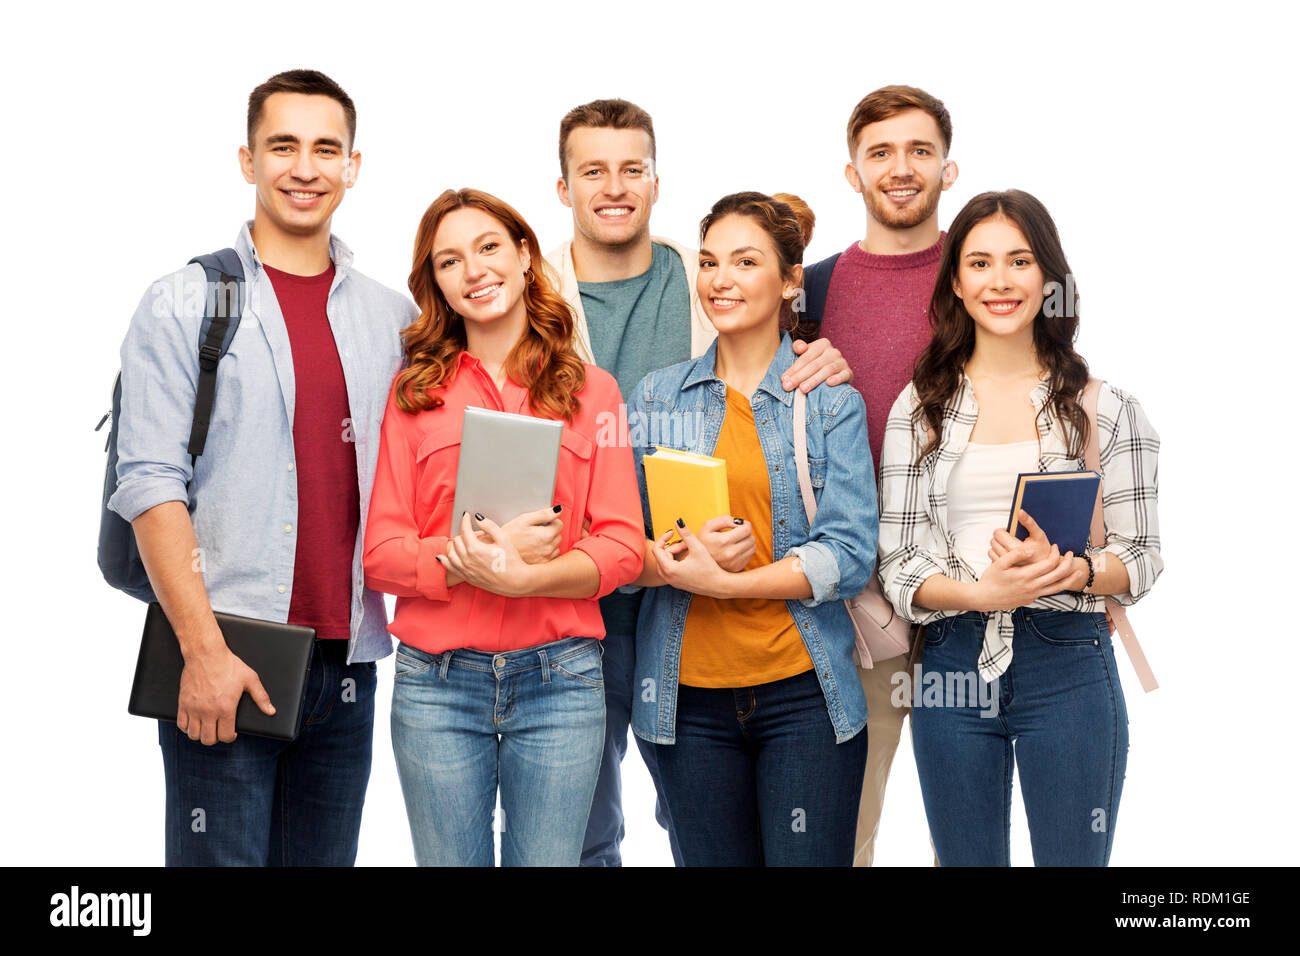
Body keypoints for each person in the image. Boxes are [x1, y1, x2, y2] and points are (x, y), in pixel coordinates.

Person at [107, 69, 417, 865]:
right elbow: (147, 482)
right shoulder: (182, 300)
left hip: (347, 663)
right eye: (283, 146)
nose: (304, 168)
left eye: (326, 148)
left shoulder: (393, 317)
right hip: (225, 651)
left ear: (354, 165)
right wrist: (203, 653)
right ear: (248, 160)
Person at [546, 98, 855, 867]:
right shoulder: (530, 293)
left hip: (743, 645)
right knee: (579, 833)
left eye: (632, 169)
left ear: (656, 182)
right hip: (577, 596)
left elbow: (848, 543)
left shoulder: (694, 275)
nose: (615, 187)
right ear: (564, 187)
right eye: (593, 170)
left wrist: (821, 357)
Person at [877, 189, 1163, 866]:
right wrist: (980, 595)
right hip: (950, 662)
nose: (999, 281)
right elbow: (897, 566)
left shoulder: (1106, 409)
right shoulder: (920, 409)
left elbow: (1143, 555)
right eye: (979, 263)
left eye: (1019, 261)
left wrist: (1078, 570)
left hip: (1069, 661)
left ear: (1048, 278)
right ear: (955, 282)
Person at [364, 188, 644, 867]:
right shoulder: (414, 396)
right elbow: (381, 555)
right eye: (450, 261)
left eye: (489, 247)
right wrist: (470, 559)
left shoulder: (592, 391)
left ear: (524, 256)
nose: (474, 271)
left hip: (561, 683)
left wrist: (534, 575)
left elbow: (623, 546)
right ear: (436, 283)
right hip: (437, 685)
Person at [627, 191, 877, 866]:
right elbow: (617, 542)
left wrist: (728, 584)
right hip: (686, 705)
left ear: (791, 279)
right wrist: (678, 555)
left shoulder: (828, 402)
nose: (721, 279)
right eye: (709, 262)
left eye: (745, 261)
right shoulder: (654, 397)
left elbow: (849, 553)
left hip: (804, 697)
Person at [799, 84, 957, 867]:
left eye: (919, 151)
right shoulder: (814, 290)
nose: (901, 169)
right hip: (862, 596)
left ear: (948, 169)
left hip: (975, 588)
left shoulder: (988, 276)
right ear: (853, 173)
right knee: (847, 828)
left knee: (971, 826)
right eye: (881, 153)